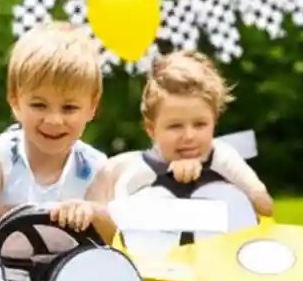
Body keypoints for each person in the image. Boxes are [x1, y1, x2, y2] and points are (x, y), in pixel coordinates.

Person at [0, 21, 116, 242]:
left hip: (69, 273)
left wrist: (92, 212)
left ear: (92, 107)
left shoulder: (96, 168)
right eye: (39, 105)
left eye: (69, 108)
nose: (54, 120)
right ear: (15, 102)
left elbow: (111, 239)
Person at [105, 50, 274, 216]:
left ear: (214, 122)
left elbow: (265, 206)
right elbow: (118, 225)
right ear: (151, 129)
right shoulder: (141, 171)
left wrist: (239, 186)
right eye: (175, 126)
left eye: (200, 124)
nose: (189, 136)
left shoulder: (223, 157)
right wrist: (169, 175)